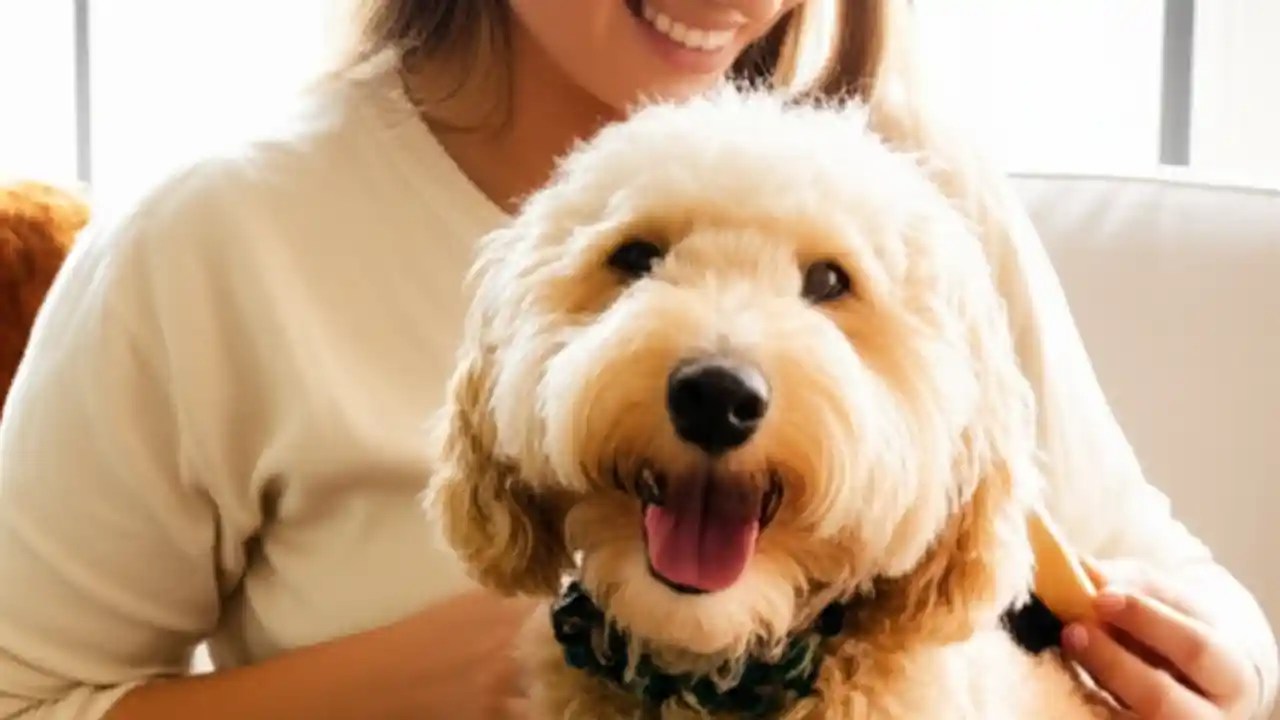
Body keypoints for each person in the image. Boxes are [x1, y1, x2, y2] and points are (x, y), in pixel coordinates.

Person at [0, 1, 1274, 718]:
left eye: (826, 291)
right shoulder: (209, 242)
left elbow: (1143, 572)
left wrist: (1221, 669)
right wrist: (458, 663)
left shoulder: (919, 198)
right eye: (634, 261)